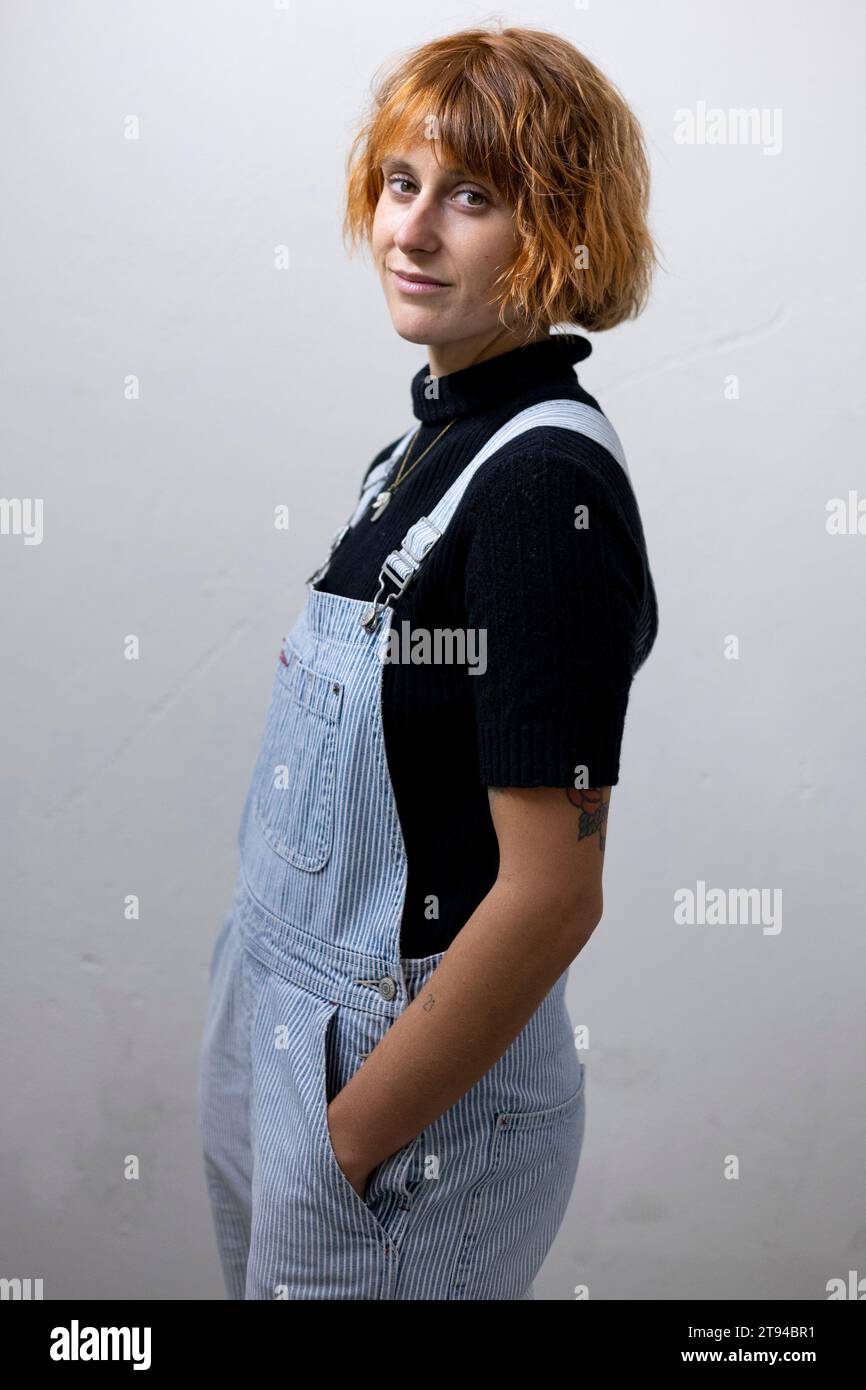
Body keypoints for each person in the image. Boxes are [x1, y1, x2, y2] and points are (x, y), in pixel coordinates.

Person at [198, 22, 660, 1301]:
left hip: (403, 1120)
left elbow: (552, 894)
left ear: (562, 233)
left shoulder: (540, 486)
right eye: (402, 183)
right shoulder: (422, 452)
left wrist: (348, 1136)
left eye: (472, 197)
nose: (411, 230)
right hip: (289, 1046)